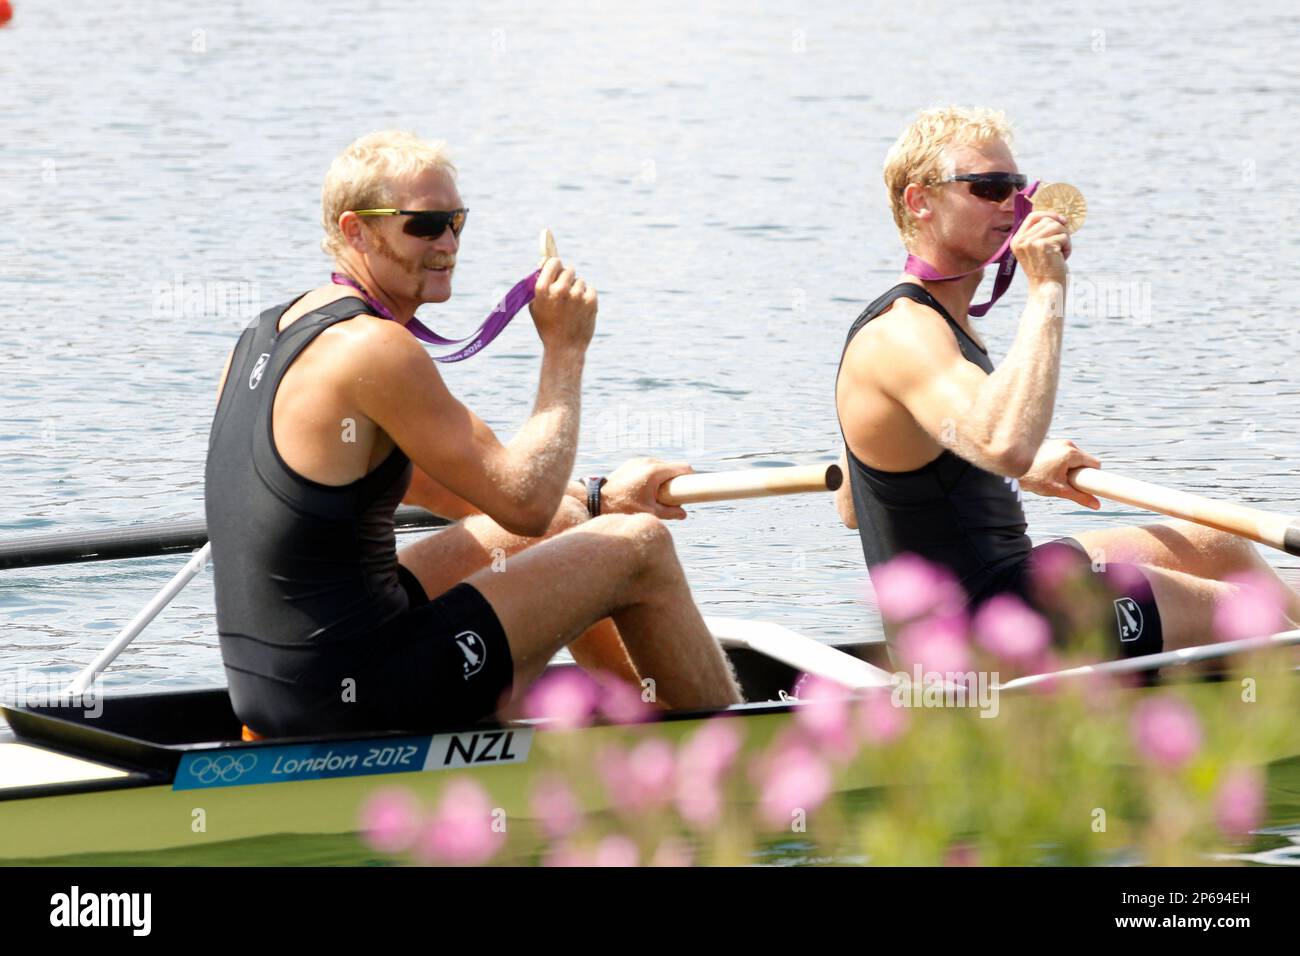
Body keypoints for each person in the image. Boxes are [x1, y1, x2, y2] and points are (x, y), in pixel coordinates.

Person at [205, 130, 741, 736]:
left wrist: (597, 501)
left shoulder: (267, 331)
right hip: (357, 698)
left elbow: (461, 493)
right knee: (640, 547)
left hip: (272, 690)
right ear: (355, 231)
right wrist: (564, 350)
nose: (449, 243)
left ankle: (638, 718)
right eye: (425, 225)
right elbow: (527, 502)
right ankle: (729, 758)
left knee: (577, 526)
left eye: (457, 221)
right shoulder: (377, 350)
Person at [834, 106, 1300, 659]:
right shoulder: (905, 335)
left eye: (1016, 186)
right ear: (920, 201)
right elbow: (1004, 442)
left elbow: (857, 502)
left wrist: (1004, 465)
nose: (1011, 203)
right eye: (986, 187)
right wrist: (1047, 290)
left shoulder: (939, 324)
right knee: (1257, 619)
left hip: (1009, 585)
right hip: (982, 632)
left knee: (1219, 547)